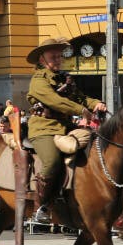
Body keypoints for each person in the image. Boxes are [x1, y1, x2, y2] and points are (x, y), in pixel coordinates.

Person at [26, 37, 106, 223]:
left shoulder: (64, 78)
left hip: (66, 127)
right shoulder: (38, 80)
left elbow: (81, 98)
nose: (57, 57)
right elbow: (55, 101)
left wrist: (97, 104)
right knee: (52, 161)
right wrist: (81, 111)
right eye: (52, 54)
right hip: (44, 129)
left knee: (95, 147)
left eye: (59, 54)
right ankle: (42, 206)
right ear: (41, 59)